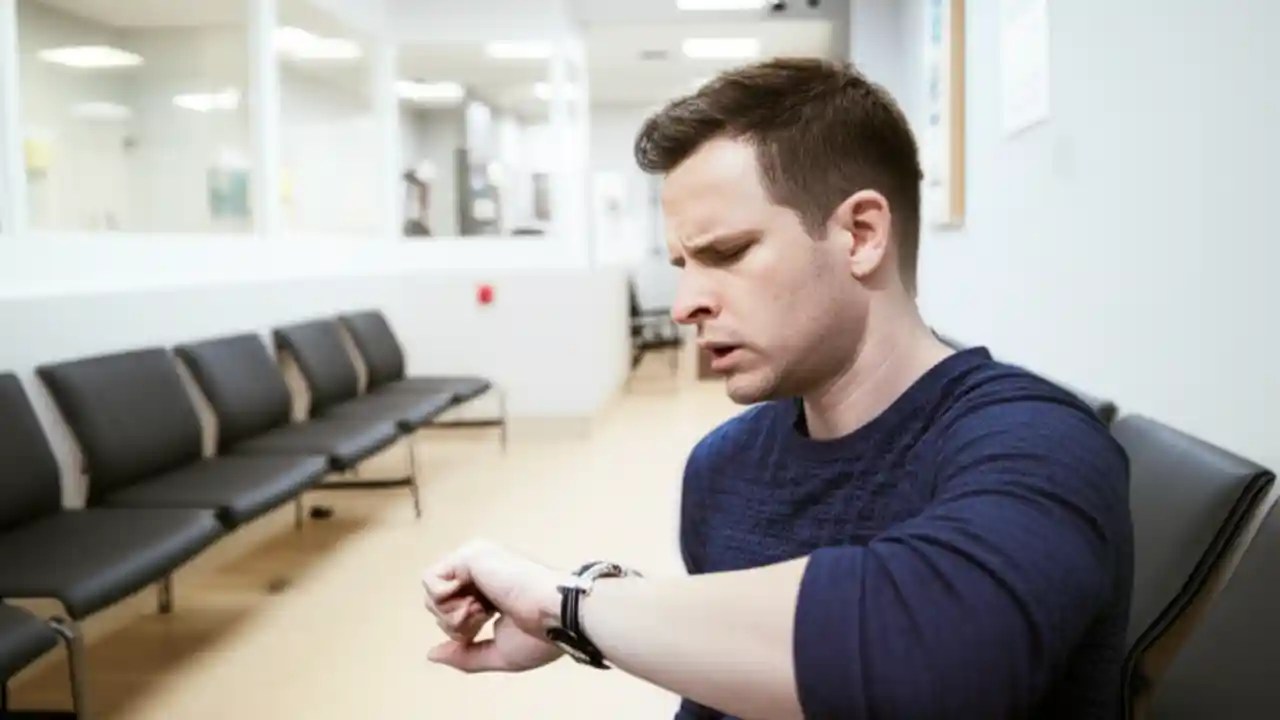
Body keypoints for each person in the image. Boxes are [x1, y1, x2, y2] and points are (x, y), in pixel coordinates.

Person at [422, 58, 1133, 719]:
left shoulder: (1041, 441)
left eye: (726, 254)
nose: (685, 303)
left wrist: (570, 606)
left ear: (859, 235)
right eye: (681, 263)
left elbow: (926, 649)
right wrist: (600, 608)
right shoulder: (725, 466)